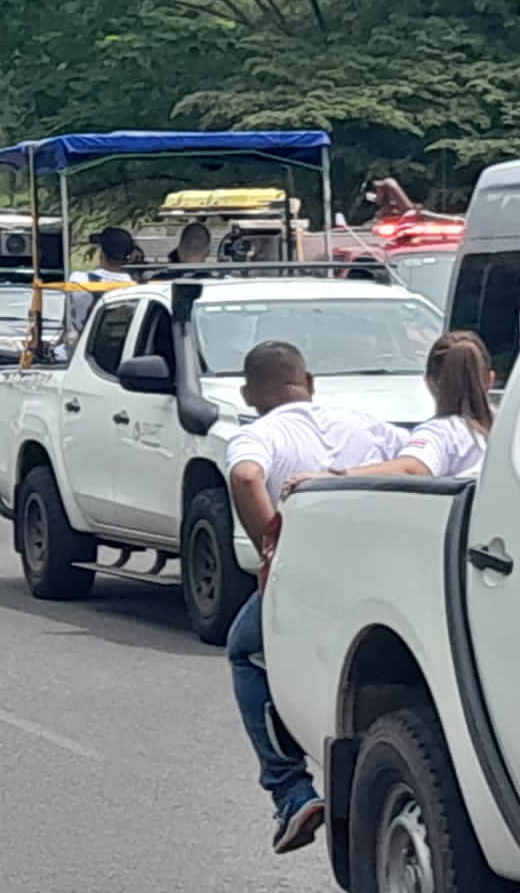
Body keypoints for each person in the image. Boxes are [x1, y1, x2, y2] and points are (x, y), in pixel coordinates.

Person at [223, 340, 408, 855]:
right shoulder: (364, 424)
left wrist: (269, 547)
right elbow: (418, 464)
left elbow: (244, 476)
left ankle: (290, 791)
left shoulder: (257, 434)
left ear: (247, 392)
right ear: (309, 383)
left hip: (310, 577)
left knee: (244, 650)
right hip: (387, 577)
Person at [286, 330, 494, 486]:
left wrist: (333, 477)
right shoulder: (509, 429)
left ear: (430, 381)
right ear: (490, 380)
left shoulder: (441, 433)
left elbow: (411, 469)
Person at [66, 226, 137, 337]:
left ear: (101, 255)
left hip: (82, 346)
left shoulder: (78, 280)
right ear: (131, 257)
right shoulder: (137, 290)